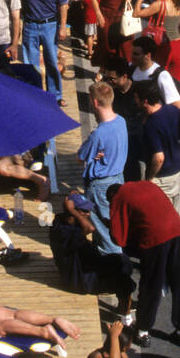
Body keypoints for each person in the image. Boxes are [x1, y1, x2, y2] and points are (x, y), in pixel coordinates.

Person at [108, 180, 180, 348]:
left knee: (151, 285)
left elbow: (118, 238)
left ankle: (143, 331)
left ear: (112, 197)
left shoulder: (119, 198)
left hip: (155, 239)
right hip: (177, 230)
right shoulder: (147, 185)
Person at [80, 81, 129, 252]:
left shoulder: (98, 134)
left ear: (94, 102)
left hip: (100, 186)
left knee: (106, 233)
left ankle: (115, 268)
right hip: (118, 179)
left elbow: (81, 157)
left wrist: (93, 152)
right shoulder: (121, 121)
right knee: (113, 225)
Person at [136, 78, 180, 213]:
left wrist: (150, 178)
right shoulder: (171, 110)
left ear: (144, 101)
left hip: (163, 178)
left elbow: (159, 157)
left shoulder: (151, 125)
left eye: (136, 98)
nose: (134, 101)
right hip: (178, 172)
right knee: (176, 215)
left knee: (160, 217)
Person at [17, 0, 68, 97]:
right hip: (30, 26)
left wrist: (62, 27)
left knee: (51, 61)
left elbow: (63, 4)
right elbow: (19, 5)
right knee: (30, 65)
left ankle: (55, 95)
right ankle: (35, 94)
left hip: (50, 26)